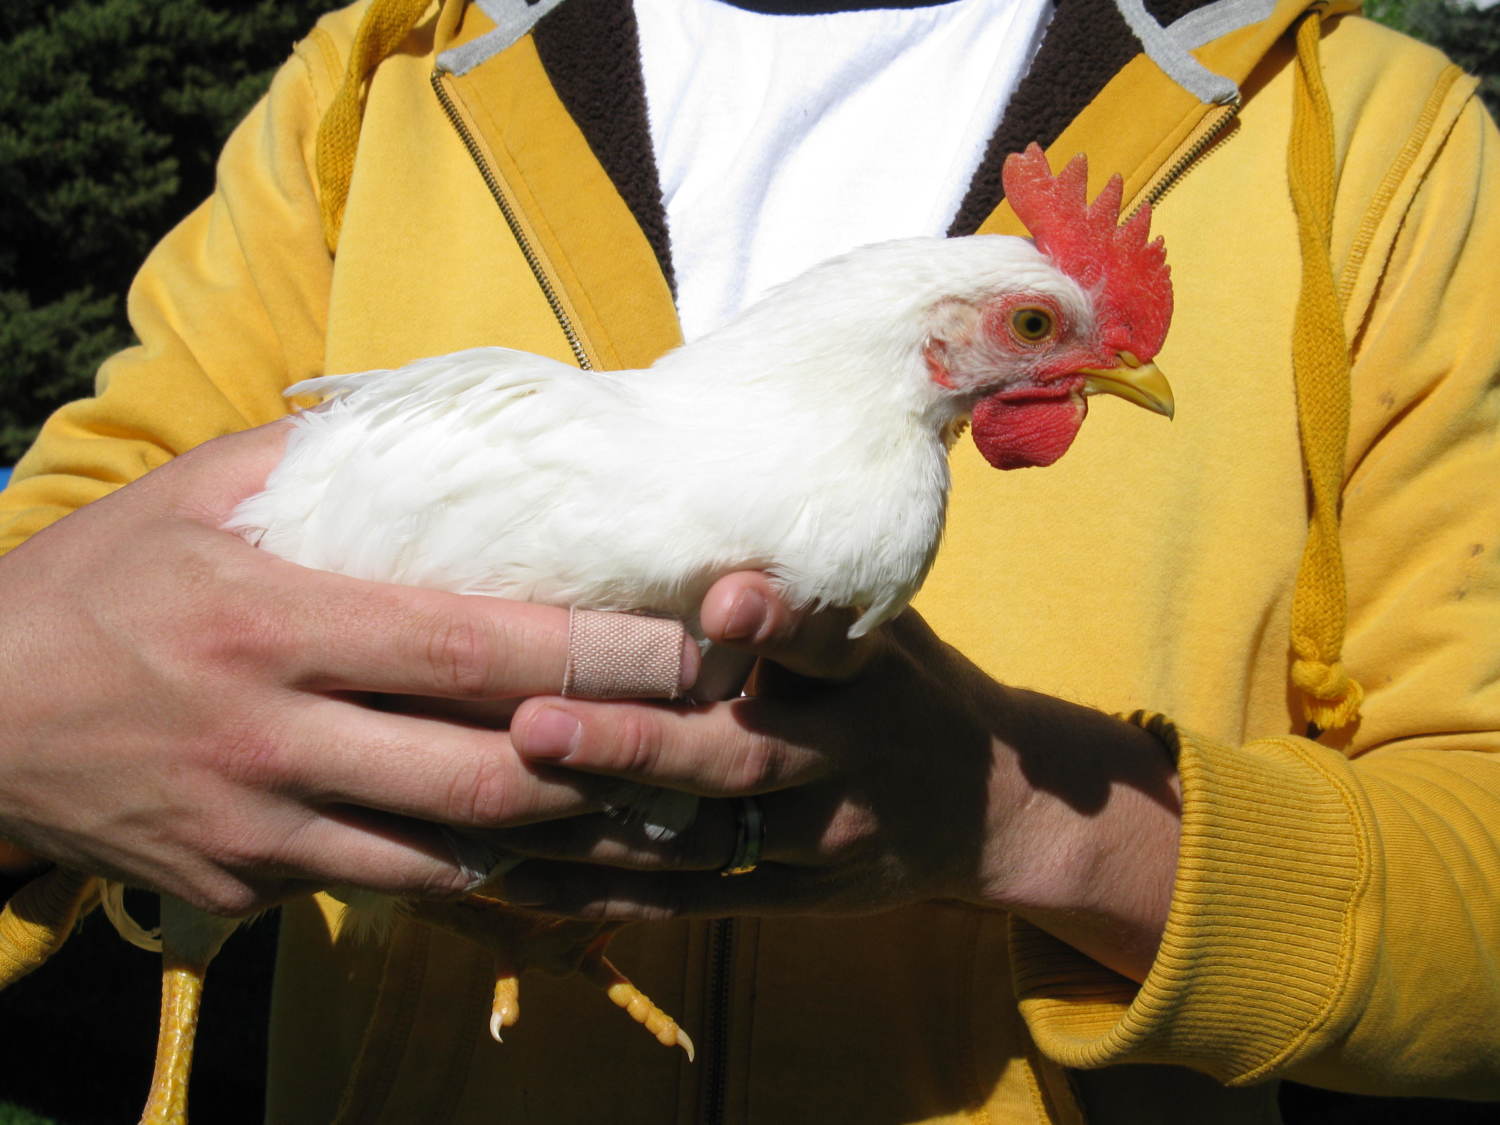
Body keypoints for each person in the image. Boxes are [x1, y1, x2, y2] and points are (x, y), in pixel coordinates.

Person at [1, 0, 1497, 1121]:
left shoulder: (1364, 139)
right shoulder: (383, 83)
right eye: (1044, 328)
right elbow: (61, 577)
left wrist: (1028, 820)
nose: (1102, 365)